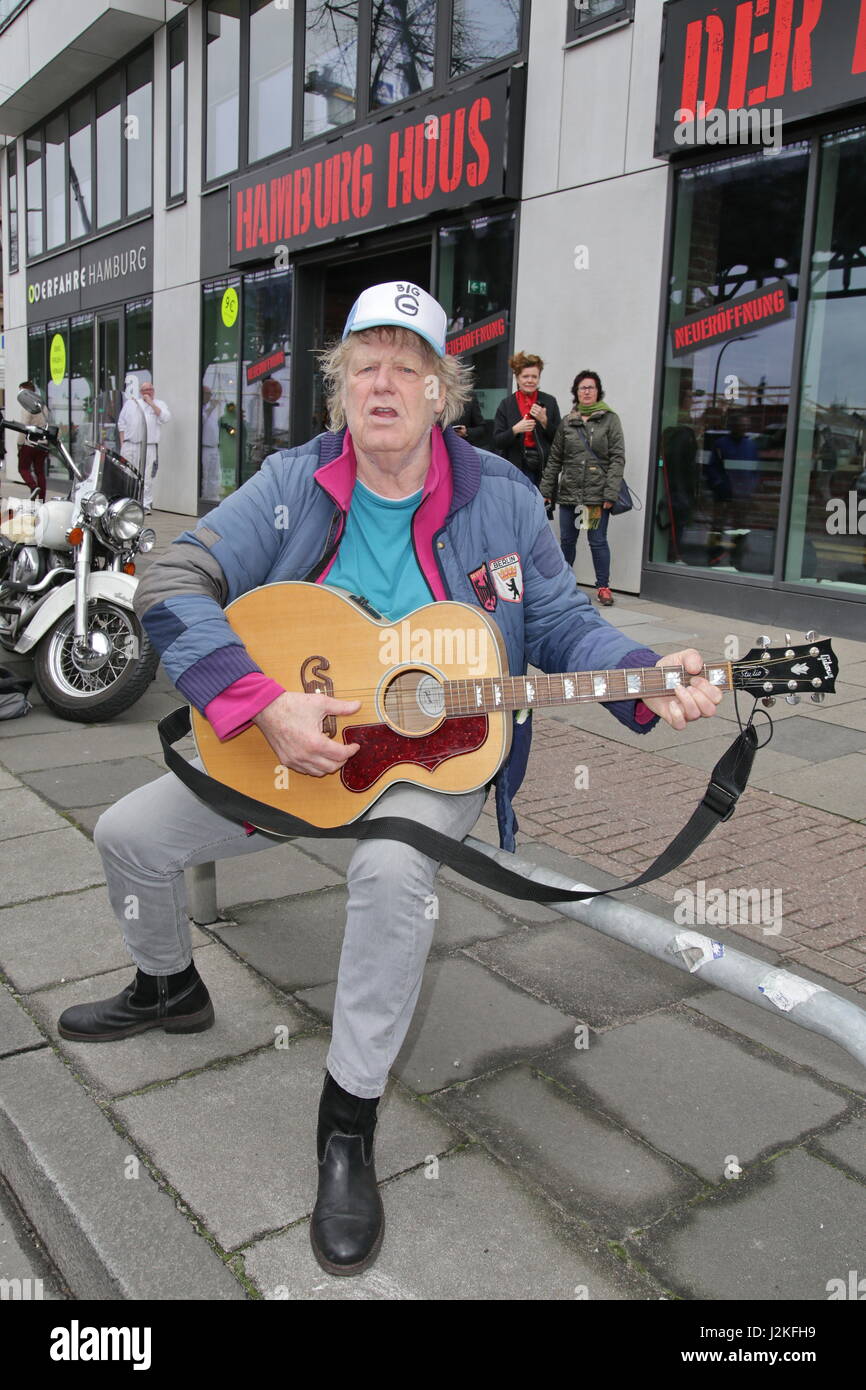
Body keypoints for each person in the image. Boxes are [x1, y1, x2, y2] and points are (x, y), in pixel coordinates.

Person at [55, 282, 723, 1278]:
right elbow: (171, 578)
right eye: (364, 365)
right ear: (339, 387)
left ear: (440, 392)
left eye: (406, 368)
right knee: (127, 837)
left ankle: (344, 1123)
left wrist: (642, 678)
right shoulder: (289, 482)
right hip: (291, 744)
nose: (382, 384)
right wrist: (255, 698)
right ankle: (168, 987)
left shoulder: (500, 495)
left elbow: (555, 621)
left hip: (436, 751)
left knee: (387, 874)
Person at [541, 370, 625, 606]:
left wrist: (610, 493)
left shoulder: (610, 419)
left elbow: (617, 458)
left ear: (598, 391)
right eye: (582, 388)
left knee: (597, 540)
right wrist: (546, 491)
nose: (586, 391)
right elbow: (555, 458)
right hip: (569, 495)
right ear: (576, 393)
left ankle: (603, 587)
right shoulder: (568, 422)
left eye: (591, 387)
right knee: (567, 541)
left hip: (596, 497)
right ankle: (564, 586)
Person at [492, 352, 561, 488]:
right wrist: (515, 430)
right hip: (515, 467)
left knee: (542, 508)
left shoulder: (549, 401)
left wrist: (544, 421)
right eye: (525, 376)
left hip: (543, 469)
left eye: (534, 377)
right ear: (517, 378)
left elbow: (559, 440)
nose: (530, 380)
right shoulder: (506, 404)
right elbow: (497, 441)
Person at [118, 380, 171, 512]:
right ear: (140, 392)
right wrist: (122, 442)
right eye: (145, 390)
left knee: (147, 476)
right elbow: (121, 423)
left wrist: (151, 404)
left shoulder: (159, 404)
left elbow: (166, 418)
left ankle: (145, 504)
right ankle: (128, 502)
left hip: (149, 446)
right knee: (128, 474)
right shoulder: (131, 404)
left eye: (150, 390)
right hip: (130, 444)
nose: (148, 392)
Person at [16, 381, 50, 501]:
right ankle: (41, 500)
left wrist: (19, 444)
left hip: (30, 443)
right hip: (43, 443)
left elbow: (23, 427)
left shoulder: (28, 407)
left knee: (23, 468)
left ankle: (33, 486)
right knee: (40, 472)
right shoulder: (43, 405)